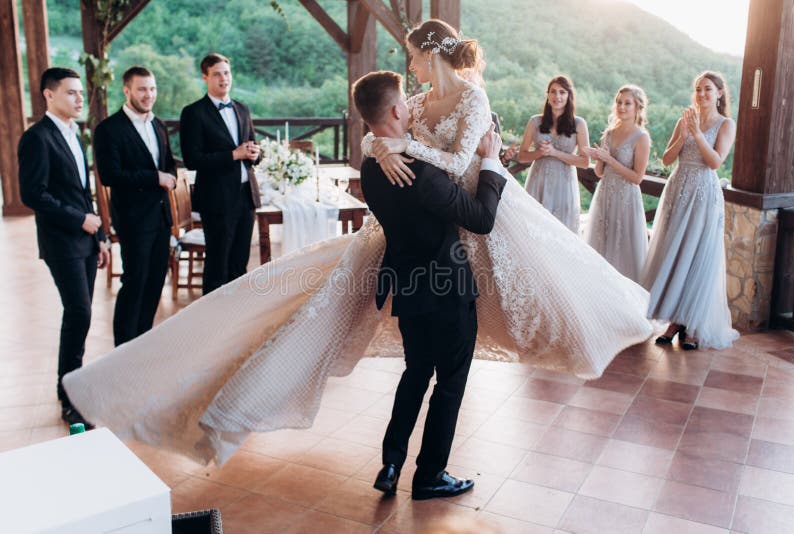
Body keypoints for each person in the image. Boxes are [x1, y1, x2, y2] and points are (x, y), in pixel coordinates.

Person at [63, 20, 653, 466]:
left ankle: (390, 457)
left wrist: (404, 150)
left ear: (433, 52)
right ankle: (239, 405)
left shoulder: (474, 100)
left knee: (541, 304)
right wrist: (379, 147)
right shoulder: (416, 103)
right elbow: (385, 131)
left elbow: (447, 157)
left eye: (415, 57)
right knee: (318, 310)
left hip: (463, 219)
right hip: (439, 227)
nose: (413, 68)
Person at [355, 71, 506, 500]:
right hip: (449, 288)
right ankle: (430, 475)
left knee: (416, 373)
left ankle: (390, 463)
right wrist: (491, 163)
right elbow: (482, 219)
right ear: (399, 110)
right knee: (451, 381)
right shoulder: (423, 173)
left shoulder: (370, 167)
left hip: (408, 287)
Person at [18, 67, 111, 429]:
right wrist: (79, 221)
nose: (79, 99)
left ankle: (73, 385)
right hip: (61, 241)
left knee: (80, 315)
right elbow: (33, 194)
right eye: (71, 93)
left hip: (85, 239)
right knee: (79, 313)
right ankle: (69, 396)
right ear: (48, 95)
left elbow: (81, 193)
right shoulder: (37, 138)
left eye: (79, 93)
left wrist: (99, 236)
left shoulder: (75, 135)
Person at [640, 71, 739, 350]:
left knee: (696, 254)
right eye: (698, 89)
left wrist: (697, 133)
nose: (702, 94)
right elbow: (668, 158)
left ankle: (691, 324)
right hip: (678, 189)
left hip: (703, 193)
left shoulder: (725, 124)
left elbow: (715, 161)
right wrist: (684, 135)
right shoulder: (684, 118)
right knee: (674, 251)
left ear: (719, 93)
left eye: (708, 89)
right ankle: (674, 319)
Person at [94, 66, 177, 346]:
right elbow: (110, 174)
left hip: (161, 217)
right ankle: (123, 349)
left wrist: (171, 177)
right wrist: (156, 178)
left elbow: (169, 164)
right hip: (133, 218)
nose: (148, 95)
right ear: (126, 90)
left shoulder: (158, 124)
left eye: (152, 89)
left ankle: (142, 343)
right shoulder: (109, 129)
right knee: (135, 282)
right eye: (142, 89)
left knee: (155, 282)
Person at [180, 53, 261, 294]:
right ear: (205, 77)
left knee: (239, 263)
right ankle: (213, 323)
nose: (223, 78)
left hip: (246, 197)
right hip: (216, 199)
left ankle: (236, 321)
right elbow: (192, 159)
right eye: (217, 74)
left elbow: (253, 146)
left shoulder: (242, 108)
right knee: (217, 265)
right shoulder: (193, 113)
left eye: (226, 73)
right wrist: (233, 155)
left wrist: (256, 153)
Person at [583, 84, 650, 282]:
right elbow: (599, 172)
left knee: (622, 248)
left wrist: (610, 159)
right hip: (605, 195)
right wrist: (599, 157)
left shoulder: (642, 137)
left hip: (626, 198)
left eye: (627, 103)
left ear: (637, 107)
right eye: (619, 102)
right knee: (601, 242)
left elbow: (637, 178)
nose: (621, 107)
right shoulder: (610, 133)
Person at [514, 75, 590, 233]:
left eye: (562, 92)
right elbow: (522, 156)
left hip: (564, 184)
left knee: (561, 231)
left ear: (569, 96)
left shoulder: (579, 124)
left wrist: (554, 152)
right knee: (534, 228)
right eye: (553, 92)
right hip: (539, 181)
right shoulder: (535, 122)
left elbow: (584, 162)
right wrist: (540, 152)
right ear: (547, 95)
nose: (557, 96)